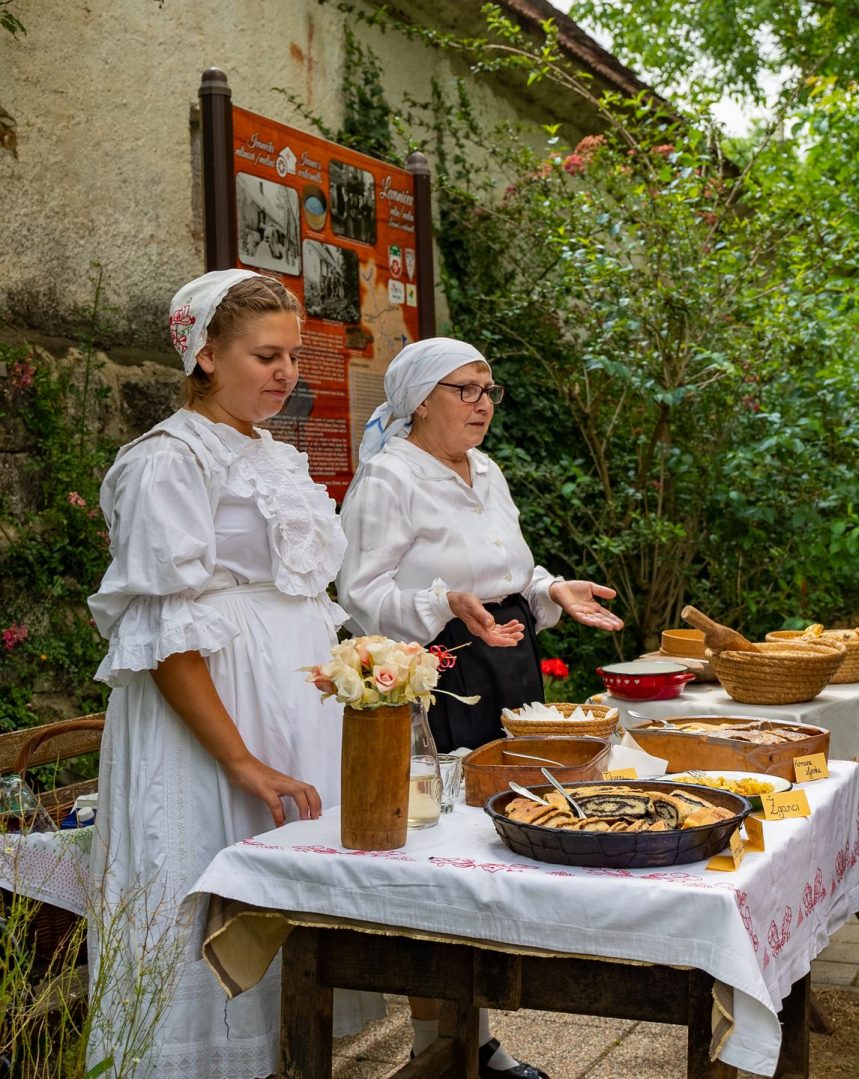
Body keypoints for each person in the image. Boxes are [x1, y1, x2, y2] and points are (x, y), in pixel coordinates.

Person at [87, 270, 382, 1077]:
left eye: (293, 355)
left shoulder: (272, 454)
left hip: (289, 704)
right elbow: (165, 634)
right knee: (207, 879)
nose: (286, 372)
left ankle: (283, 1058)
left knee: (285, 896)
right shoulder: (169, 461)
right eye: (266, 355)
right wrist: (239, 757)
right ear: (207, 354)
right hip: (212, 722)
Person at [337, 336, 622, 1074]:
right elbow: (358, 595)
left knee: (503, 832)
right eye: (464, 389)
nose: (482, 403)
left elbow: (514, 568)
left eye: (487, 389)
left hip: (507, 656)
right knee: (443, 852)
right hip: (439, 669)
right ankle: (444, 1044)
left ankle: (477, 1038)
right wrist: (443, 605)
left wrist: (551, 589)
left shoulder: (486, 469)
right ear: (419, 401)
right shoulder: (388, 478)